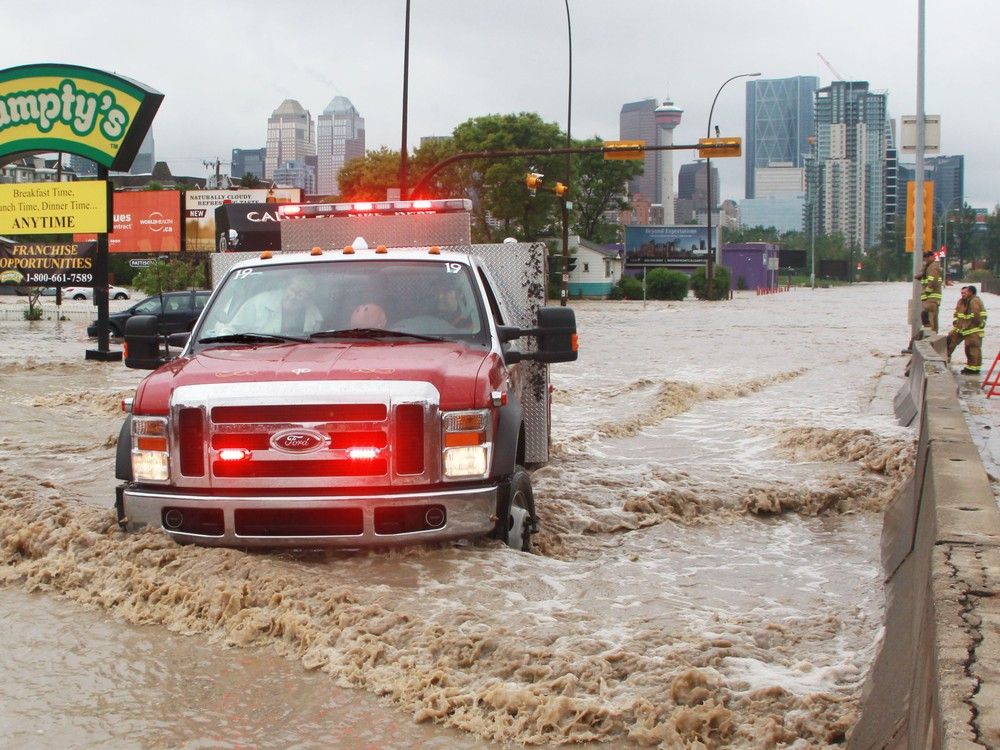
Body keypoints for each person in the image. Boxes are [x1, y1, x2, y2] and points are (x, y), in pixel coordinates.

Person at [226, 277, 323, 337]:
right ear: (285, 288)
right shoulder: (259, 303)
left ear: (308, 298)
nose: (293, 297)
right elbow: (231, 331)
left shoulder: (315, 316)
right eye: (292, 290)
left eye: (300, 294)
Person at [946, 285, 988, 375]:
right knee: (951, 341)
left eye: (965, 292)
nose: (963, 294)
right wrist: (956, 323)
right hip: (962, 329)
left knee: (973, 350)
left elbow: (976, 316)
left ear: (971, 292)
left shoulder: (974, 301)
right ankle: (947, 358)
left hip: (972, 330)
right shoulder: (962, 302)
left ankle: (973, 369)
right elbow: (957, 314)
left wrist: (974, 325)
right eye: (962, 293)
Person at [915, 250, 943, 331]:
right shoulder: (928, 266)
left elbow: (932, 281)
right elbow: (925, 277)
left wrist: (927, 292)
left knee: (930, 320)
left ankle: (931, 335)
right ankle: (932, 334)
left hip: (931, 298)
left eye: (928, 257)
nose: (926, 259)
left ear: (932, 257)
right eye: (925, 258)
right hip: (929, 298)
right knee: (931, 318)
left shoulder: (933, 266)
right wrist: (919, 276)